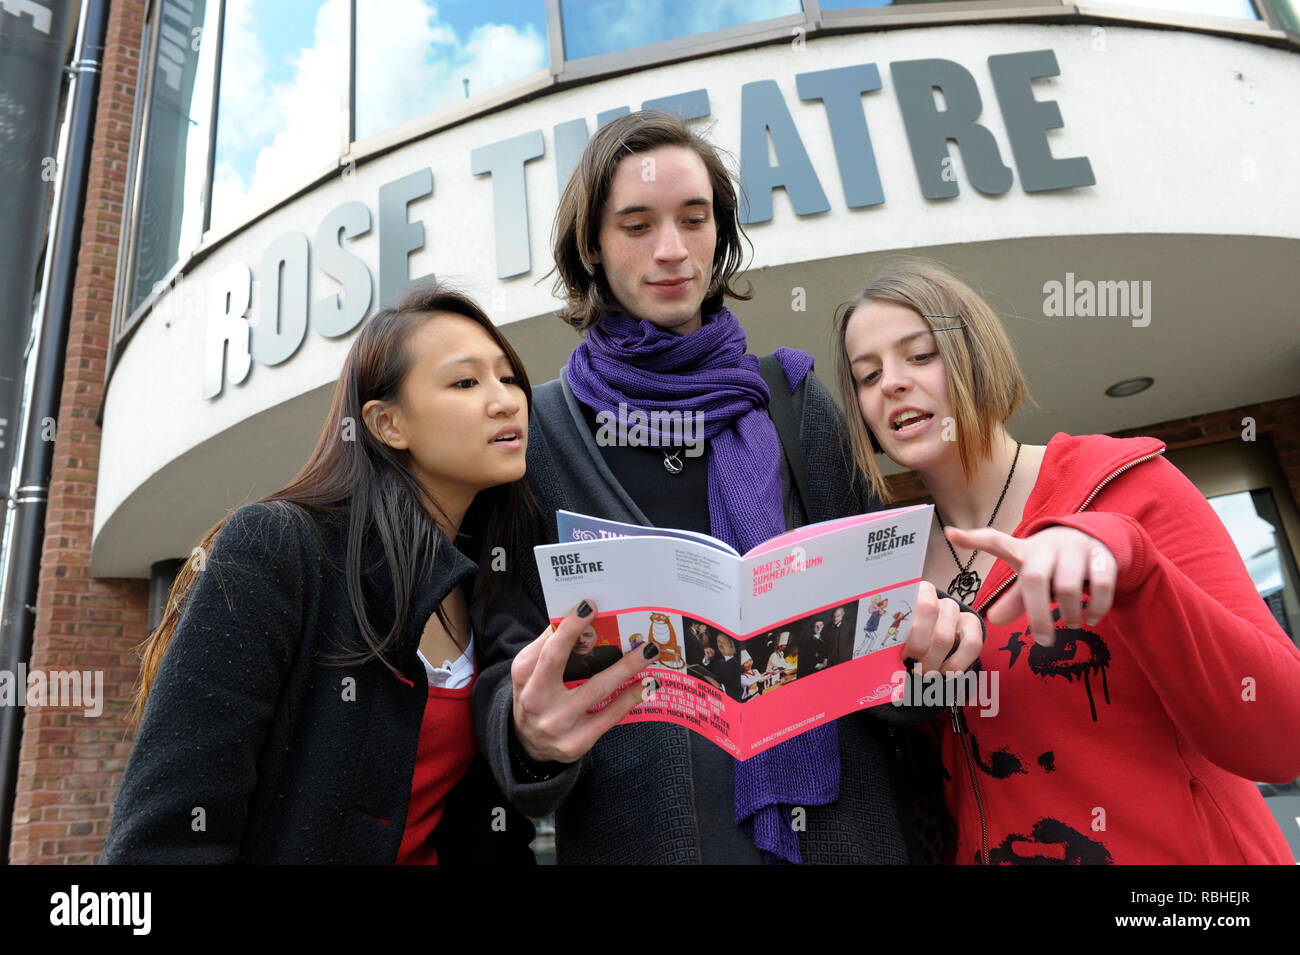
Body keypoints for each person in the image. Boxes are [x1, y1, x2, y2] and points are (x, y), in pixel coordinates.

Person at [471, 111, 983, 865]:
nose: (672, 250)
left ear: (721, 229)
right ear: (592, 246)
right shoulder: (541, 430)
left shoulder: (797, 402)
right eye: (637, 225)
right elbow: (502, 657)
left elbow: (895, 632)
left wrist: (925, 649)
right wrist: (523, 729)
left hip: (844, 840)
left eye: (694, 218)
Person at [835, 258, 1300, 864]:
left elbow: (1282, 737)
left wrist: (1132, 563)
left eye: (920, 355)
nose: (892, 383)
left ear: (976, 355)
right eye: (867, 376)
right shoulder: (891, 569)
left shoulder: (1125, 487)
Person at [100, 283, 536, 864]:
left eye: (508, 378)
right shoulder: (277, 548)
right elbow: (167, 837)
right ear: (387, 425)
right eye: (465, 382)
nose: (505, 400)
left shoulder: (484, 583)